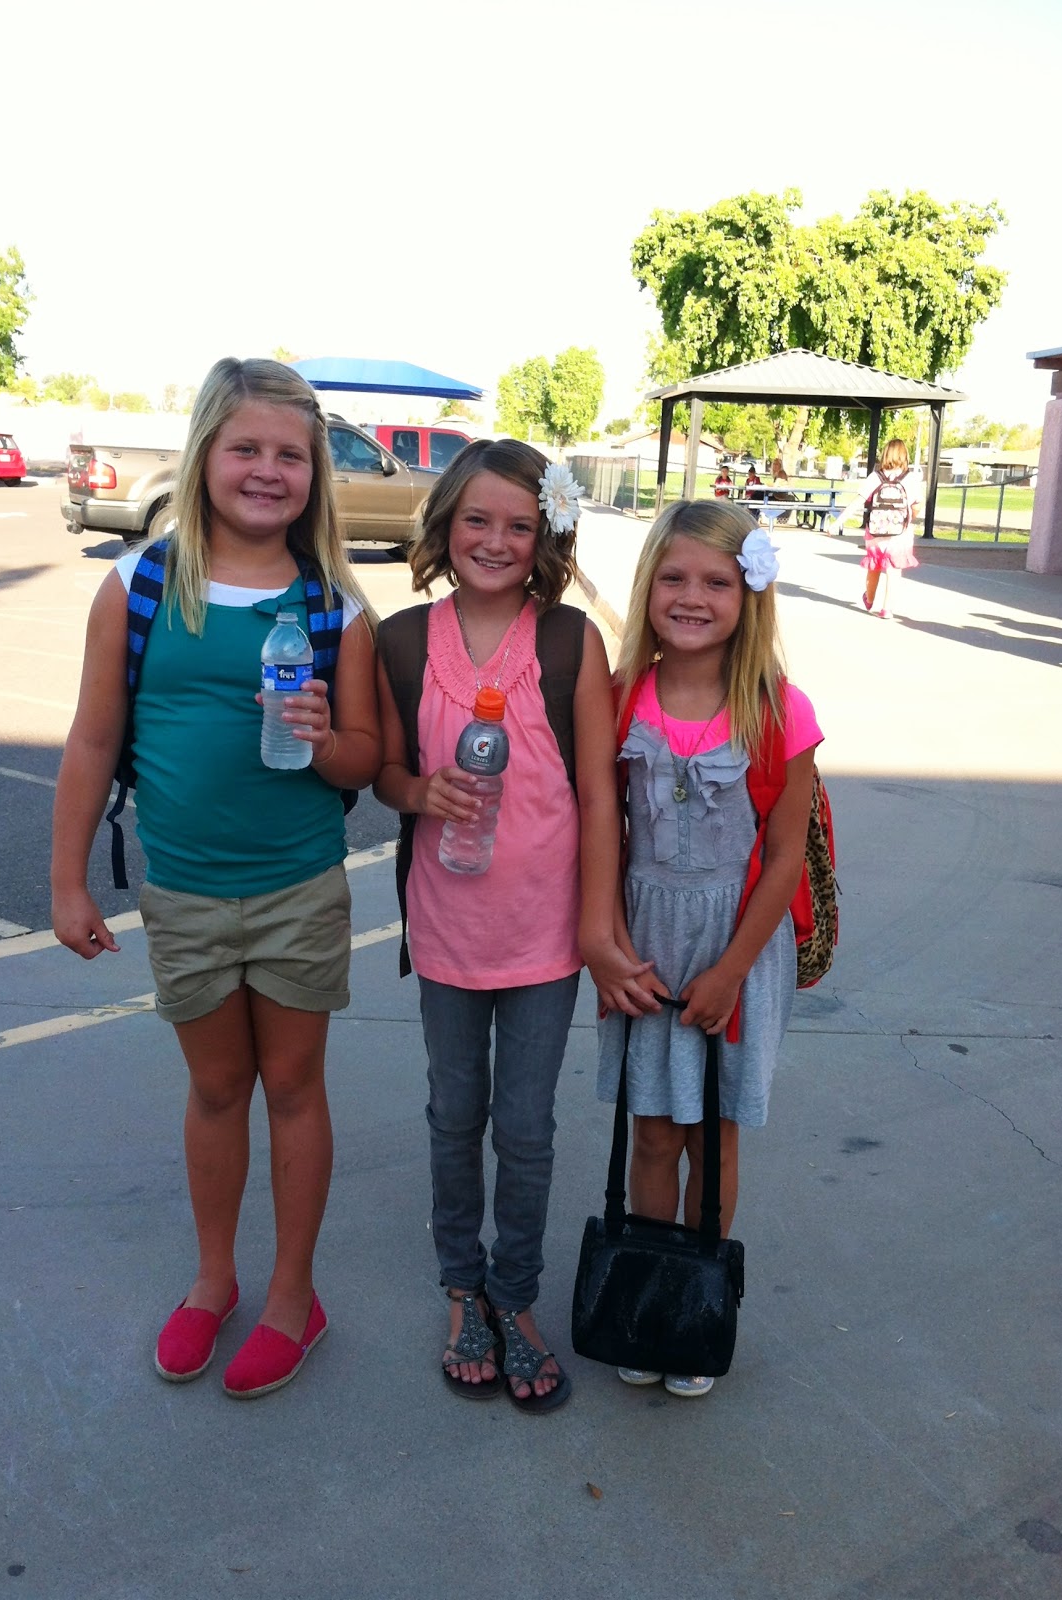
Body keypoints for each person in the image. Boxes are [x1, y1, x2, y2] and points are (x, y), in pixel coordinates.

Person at [51, 357, 380, 1400]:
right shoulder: (140, 585)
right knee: (215, 1086)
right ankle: (212, 1279)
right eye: (246, 448)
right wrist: (67, 882)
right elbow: (92, 739)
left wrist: (325, 737)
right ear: (204, 455)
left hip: (298, 888)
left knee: (292, 1086)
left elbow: (363, 762)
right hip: (184, 892)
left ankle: (292, 1294)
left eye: (291, 454)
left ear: (315, 474)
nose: (267, 470)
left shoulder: (334, 605)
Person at [373, 441, 617, 1413]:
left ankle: (514, 1297)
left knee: (524, 1128)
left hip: (544, 937)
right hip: (446, 928)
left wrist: (597, 926)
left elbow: (597, 795)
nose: (495, 540)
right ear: (443, 525)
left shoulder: (569, 642)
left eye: (519, 524)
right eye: (476, 519)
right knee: (452, 1116)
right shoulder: (402, 641)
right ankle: (459, 1288)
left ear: (545, 534)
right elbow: (384, 772)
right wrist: (418, 791)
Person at [580, 500, 820, 1399]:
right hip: (644, 939)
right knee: (650, 1129)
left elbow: (786, 855)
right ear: (648, 587)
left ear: (748, 593)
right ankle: (648, 1297)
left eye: (716, 581)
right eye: (674, 578)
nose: (692, 597)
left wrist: (728, 972)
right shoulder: (617, 699)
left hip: (736, 943)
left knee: (712, 1137)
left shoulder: (778, 711)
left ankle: (695, 1308)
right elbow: (599, 829)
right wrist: (607, 946)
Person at [831, 437, 923, 619]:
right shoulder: (910, 479)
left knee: (874, 565)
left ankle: (869, 598)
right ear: (905, 456)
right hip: (900, 532)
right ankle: (887, 608)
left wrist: (838, 522)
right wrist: (910, 516)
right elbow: (917, 505)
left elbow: (858, 501)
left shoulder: (875, 477)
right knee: (894, 568)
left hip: (875, 532)